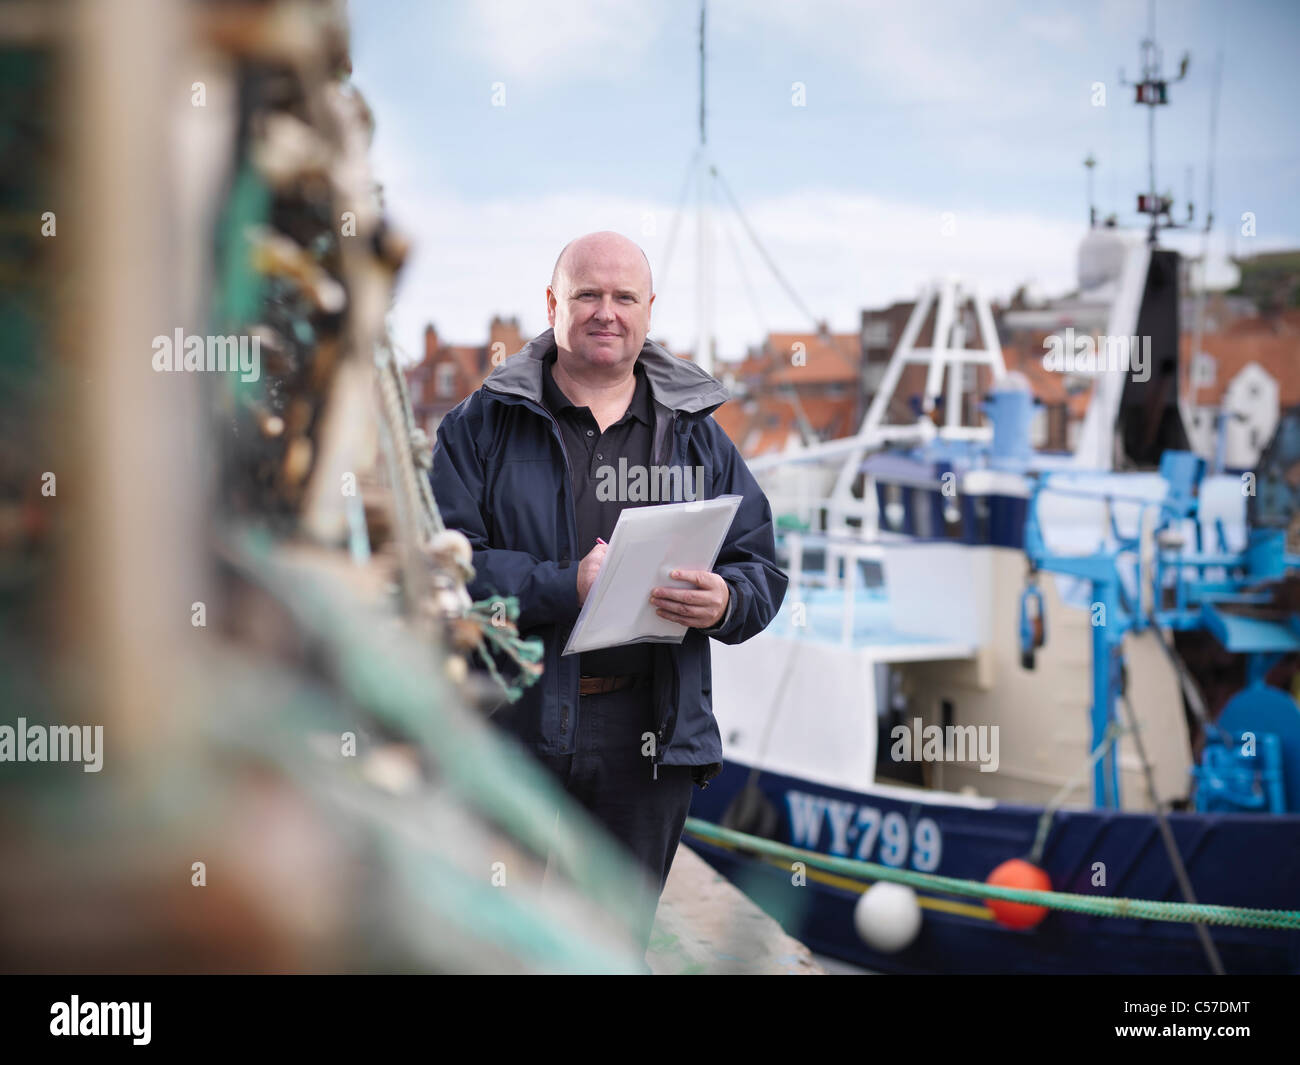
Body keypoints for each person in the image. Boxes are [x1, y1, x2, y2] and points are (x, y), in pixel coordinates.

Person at [430, 230, 787, 962]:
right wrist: (566, 585)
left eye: (625, 296)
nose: (606, 311)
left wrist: (724, 601)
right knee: (495, 942)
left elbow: (761, 568)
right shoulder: (480, 426)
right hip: (512, 722)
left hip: (647, 736)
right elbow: (445, 573)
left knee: (613, 948)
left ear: (648, 310)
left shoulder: (696, 436)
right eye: (588, 293)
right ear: (554, 303)